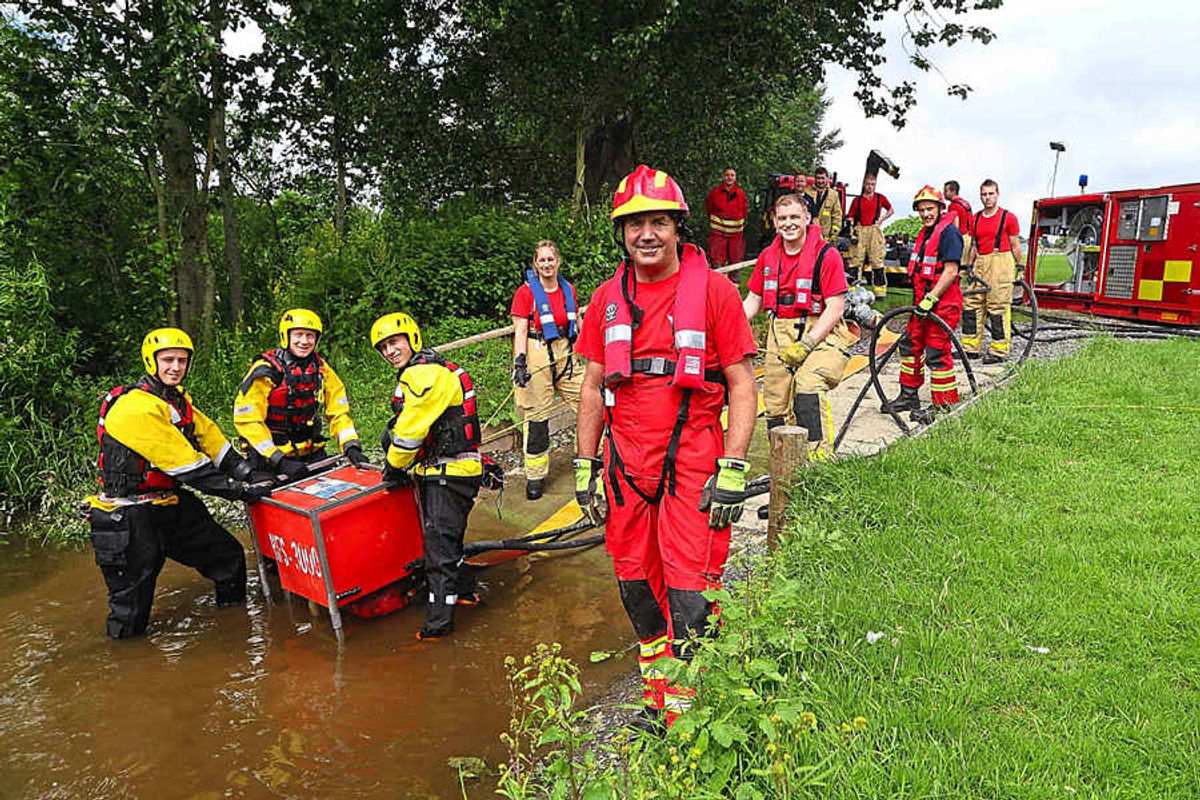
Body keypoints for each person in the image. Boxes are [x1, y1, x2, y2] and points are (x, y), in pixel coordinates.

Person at [574, 165, 758, 729]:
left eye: (658, 222)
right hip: (625, 468)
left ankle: (698, 721)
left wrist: (733, 467)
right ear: (621, 234)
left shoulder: (716, 294)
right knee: (637, 590)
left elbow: (743, 383)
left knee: (691, 598)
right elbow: (591, 385)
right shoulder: (607, 298)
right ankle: (661, 706)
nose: (646, 234)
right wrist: (584, 464)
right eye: (634, 225)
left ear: (678, 227)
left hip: (692, 464)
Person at [84, 328, 271, 639]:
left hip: (169, 505)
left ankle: (233, 634)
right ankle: (125, 669)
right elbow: (189, 466)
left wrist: (248, 473)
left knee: (228, 558)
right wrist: (240, 491)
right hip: (129, 517)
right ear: (151, 362)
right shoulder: (134, 407)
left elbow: (212, 441)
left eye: (182, 360)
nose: (175, 367)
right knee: (131, 610)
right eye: (168, 360)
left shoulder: (177, 401)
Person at [371, 312, 483, 641]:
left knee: (438, 553)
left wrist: (394, 466)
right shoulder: (430, 370)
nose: (390, 351)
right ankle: (465, 593)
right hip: (450, 470)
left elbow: (409, 432)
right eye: (383, 348)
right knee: (449, 541)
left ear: (412, 339)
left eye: (394, 342)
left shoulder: (422, 375)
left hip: (448, 472)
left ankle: (437, 631)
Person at [743, 194, 857, 459]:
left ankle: (819, 464)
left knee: (808, 386)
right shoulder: (767, 257)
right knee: (774, 405)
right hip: (779, 333)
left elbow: (836, 308)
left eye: (795, 217)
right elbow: (752, 301)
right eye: (782, 218)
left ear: (807, 219)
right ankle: (783, 468)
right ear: (774, 221)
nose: (789, 223)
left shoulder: (826, 255)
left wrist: (808, 343)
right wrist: (723, 327)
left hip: (821, 332)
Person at [234, 309, 367, 480]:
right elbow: (248, 421)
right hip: (269, 457)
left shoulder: (321, 369)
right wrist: (278, 460)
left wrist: (350, 446)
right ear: (286, 336)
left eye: (310, 335)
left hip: (309, 451)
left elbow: (338, 412)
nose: (304, 341)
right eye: (298, 335)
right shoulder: (266, 371)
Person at [883, 186, 964, 425]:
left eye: (930, 209)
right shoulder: (925, 234)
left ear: (940, 208)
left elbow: (951, 272)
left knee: (937, 351)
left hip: (943, 302)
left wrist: (932, 298)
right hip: (922, 301)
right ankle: (909, 396)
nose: (926, 214)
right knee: (910, 345)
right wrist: (922, 300)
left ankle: (943, 404)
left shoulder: (949, 233)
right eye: (922, 210)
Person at [510, 240, 583, 500]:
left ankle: (586, 459)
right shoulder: (526, 293)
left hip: (566, 353)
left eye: (550, 259)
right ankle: (536, 477)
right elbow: (520, 329)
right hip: (537, 354)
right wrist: (519, 362)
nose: (547, 264)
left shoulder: (567, 289)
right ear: (536, 264)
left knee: (589, 402)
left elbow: (577, 321)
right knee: (537, 418)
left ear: (558, 261)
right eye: (542, 260)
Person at [962, 179, 1025, 363]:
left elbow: (1015, 244)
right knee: (972, 305)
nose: (987, 197)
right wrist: (968, 266)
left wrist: (1020, 266)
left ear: (997, 194)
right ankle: (971, 348)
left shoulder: (1009, 218)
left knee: (997, 307)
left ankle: (999, 351)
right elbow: (974, 245)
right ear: (980, 196)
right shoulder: (976, 218)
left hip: (1001, 262)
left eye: (991, 193)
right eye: (984, 194)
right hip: (980, 262)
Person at [846, 174, 894, 297]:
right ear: (863, 185)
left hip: (874, 230)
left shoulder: (880, 198)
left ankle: (880, 292)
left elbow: (891, 210)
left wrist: (882, 219)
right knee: (856, 260)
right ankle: (853, 290)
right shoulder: (857, 200)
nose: (870, 187)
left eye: (872, 184)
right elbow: (851, 215)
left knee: (877, 260)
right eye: (868, 184)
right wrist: (851, 227)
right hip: (860, 230)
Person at [705, 166, 748, 272]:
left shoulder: (741, 194)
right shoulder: (714, 193)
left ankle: (735, 286)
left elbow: (744, 212)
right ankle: (718, 286)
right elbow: (709, 209)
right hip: (718, 235)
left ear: (735, 178)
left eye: (732, 175)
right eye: (727, 175)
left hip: (736, 236)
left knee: (736, 262)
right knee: (717, 262)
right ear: (723, 177)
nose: (729, 177)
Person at [806, 167, 843, 242]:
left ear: (827, 178)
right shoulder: (807, 192)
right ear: (815, 178)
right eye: (818, 178)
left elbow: (837, 215)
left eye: (823, 178)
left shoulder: (834, 195)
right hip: (809, 234)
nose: (820, 181)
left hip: (826, 237)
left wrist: (834, 233)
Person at [944, 180, 973, 253]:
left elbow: (954, 226)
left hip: (960, 238)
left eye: (946, 191)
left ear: (953, 191)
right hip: (969, 237)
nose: (944, 193)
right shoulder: (965, 203)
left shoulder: (953, 206)